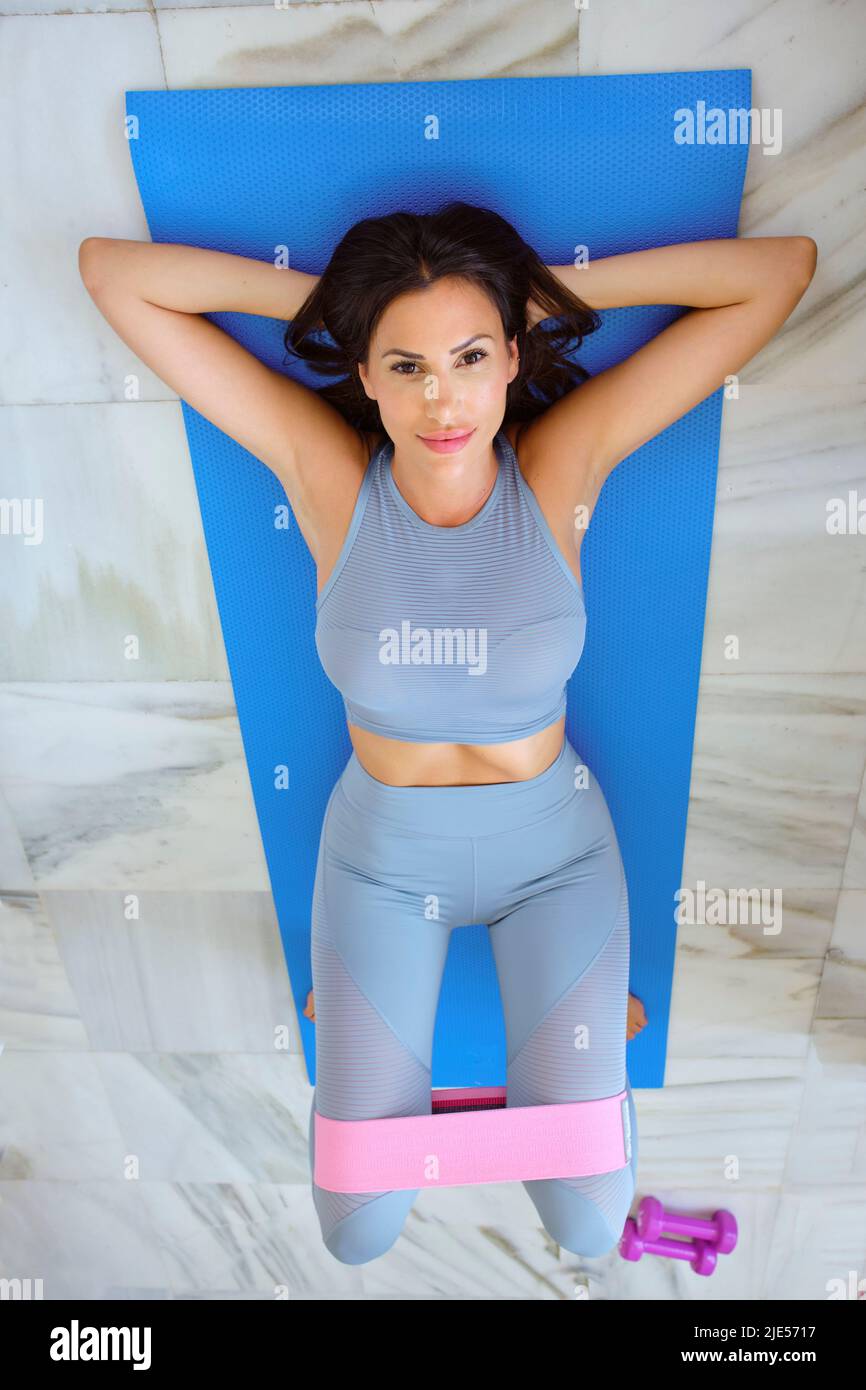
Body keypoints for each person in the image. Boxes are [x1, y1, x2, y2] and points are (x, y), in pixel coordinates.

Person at [78, 205, 817, 1264]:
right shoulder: (326, 478)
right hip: (380, 864)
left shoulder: (561, 466)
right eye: (405, 364)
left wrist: (536, 291)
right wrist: (344, 306)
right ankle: (509, 1015)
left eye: (472, 355)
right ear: (366, 374)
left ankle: (583, 1018)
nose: (441, 397)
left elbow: (778, 270)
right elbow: (112, 275)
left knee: (587, 1220)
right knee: (357, 1227)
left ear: (514, 354)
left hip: (553, 860)